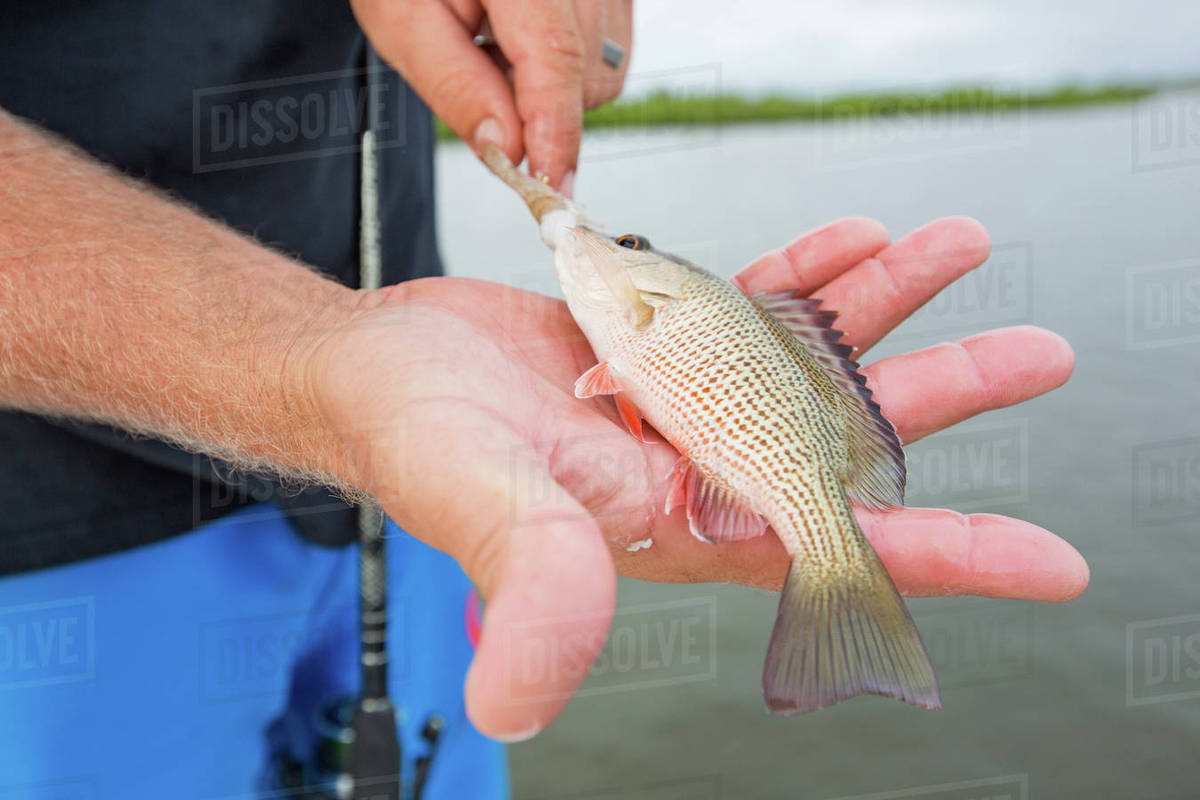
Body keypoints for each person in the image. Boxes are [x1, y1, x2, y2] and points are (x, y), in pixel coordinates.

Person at [0, 1, 1088, 797]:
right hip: (63, 529)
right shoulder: (633, 298)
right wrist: (317, 355)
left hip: (431, 482)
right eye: (625, 249)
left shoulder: (611, 327)